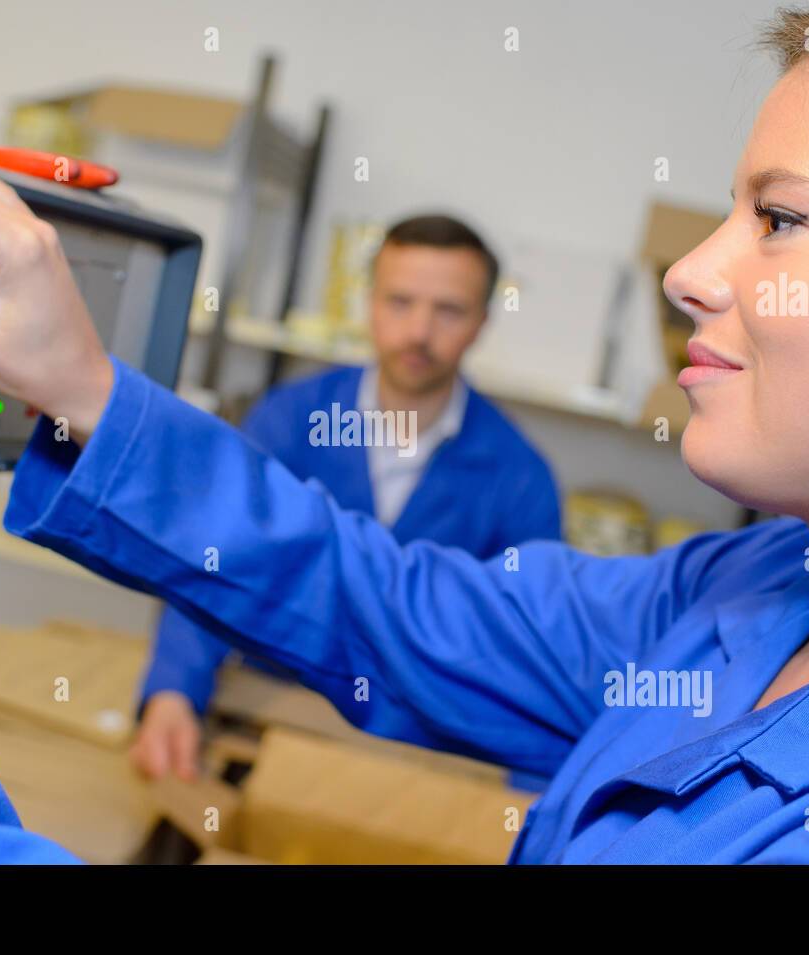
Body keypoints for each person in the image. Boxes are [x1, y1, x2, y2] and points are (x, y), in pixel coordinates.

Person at [0, 0, 809, 864]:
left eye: (781, 219)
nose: (691, 272)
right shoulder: (749, 593)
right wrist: (94, 394)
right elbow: (377, 597)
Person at [131, 215, 561, 789]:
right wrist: (172, 692)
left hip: (419, 749)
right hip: (269, 718)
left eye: (449, 310)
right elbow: (218, 559)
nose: (419, 331)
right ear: (369, 303)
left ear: (482, 321)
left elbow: (532, 643)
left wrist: (524, 796)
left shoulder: (519, 474)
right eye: (400, 301)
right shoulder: (289, 420)